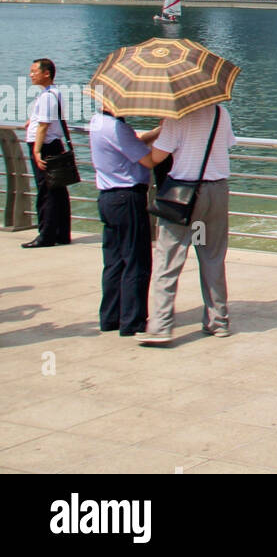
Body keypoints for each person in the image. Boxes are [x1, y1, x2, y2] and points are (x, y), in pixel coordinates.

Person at [140, 102, 237, 344]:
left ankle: (161, 326)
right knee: (212, 257)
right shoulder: (220, 112)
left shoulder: (176, 117)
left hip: (183, 196)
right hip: (216, 192)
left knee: (169, 258)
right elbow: (226, 144)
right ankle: (218, 322)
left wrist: (156, 133)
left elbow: (156, 158)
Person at [88, 102, 161, 335]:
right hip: (127, 198)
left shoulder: (97, 122)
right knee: (136, 260)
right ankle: (133, 321)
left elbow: (131, 146)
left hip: (108, 198)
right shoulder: (118, 129)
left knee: (114, 261)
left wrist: (157, 132)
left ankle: (110, 318)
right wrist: (168, 143)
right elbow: (148, 160)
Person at [23, 58, 72, 248]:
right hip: (52, 145)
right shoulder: (53, 93)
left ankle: (46, 235)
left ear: (47, 73)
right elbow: (42, 120)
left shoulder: (47, 96)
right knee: (57, 190)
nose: (31, 74)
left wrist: (36, 151)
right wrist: (31, 120)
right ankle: (61, 233)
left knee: (47, 191)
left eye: (34, 70)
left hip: (45, 147)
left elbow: (44, 126)